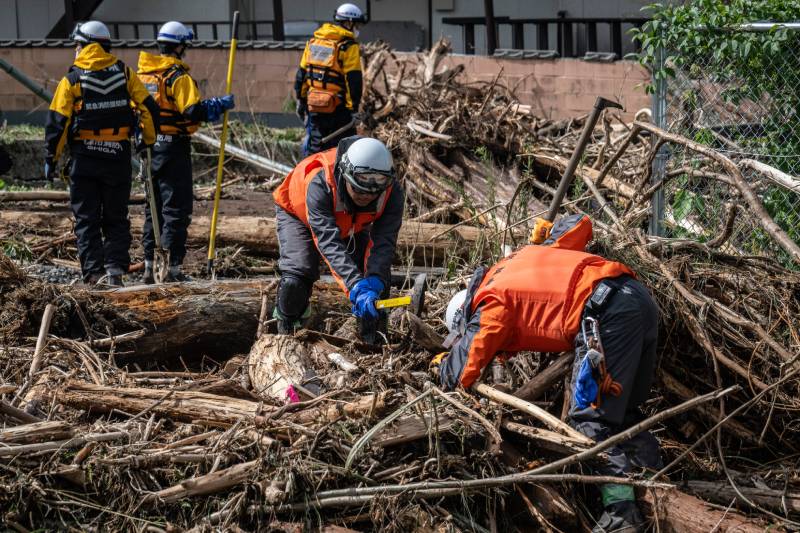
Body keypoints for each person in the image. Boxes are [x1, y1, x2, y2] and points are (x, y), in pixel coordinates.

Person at [437, 215, 662, 533]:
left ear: (465, 318)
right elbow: (580, 225)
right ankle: (656, 486)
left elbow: (461, 374)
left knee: (589, 421)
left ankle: (622, 514)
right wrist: (548, 234)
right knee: (621, 413)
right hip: (636, 297)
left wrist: (442, 365)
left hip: (604, 315)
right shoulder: (519, 259)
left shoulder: (489, 302)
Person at [45, 21, 159, 287]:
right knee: (117, 216)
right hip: (117, 156)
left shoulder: (71, 80)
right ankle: (116, 270)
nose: (75, 49)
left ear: (85, 46)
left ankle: (94, 275)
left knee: (87, 220)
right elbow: (149, 108)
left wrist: (50, 158)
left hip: (84, 159)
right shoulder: (125, 73)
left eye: (77, 45)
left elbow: (57, 123)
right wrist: (146, 141)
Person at [271, 136, 404, 343]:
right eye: (358, 190)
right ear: (346, 174)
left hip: (352, 223)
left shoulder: (392, 193)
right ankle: (286, 332)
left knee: (376, 278)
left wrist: (375, 279)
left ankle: (371, 339)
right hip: (297, 215)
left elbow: (384, 241)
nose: (365, 197)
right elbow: (328, 241)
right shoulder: (320, 184)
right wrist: (354, 286)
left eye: (373, 194)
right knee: (297, 276)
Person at [137, 21, 235, 283]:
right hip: (172, 147)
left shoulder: (144, 75)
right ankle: (171, 269)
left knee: (153, 209)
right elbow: (192, 111)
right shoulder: (177, 77)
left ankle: (149, 267)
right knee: (176, 209)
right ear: (180, 45)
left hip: (148, 148)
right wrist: (217, 106)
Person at [294, 3, 366, 156]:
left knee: (316, 151)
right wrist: (353, 109)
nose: (357, 28)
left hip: (314, 108)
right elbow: (353, 81)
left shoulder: (313, 42)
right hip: (339, 110)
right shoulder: (348, 46)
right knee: (342, 152)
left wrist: (301, 101)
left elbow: (302, 75)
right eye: (357, 24)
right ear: (349, 22)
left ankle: (311, 178)